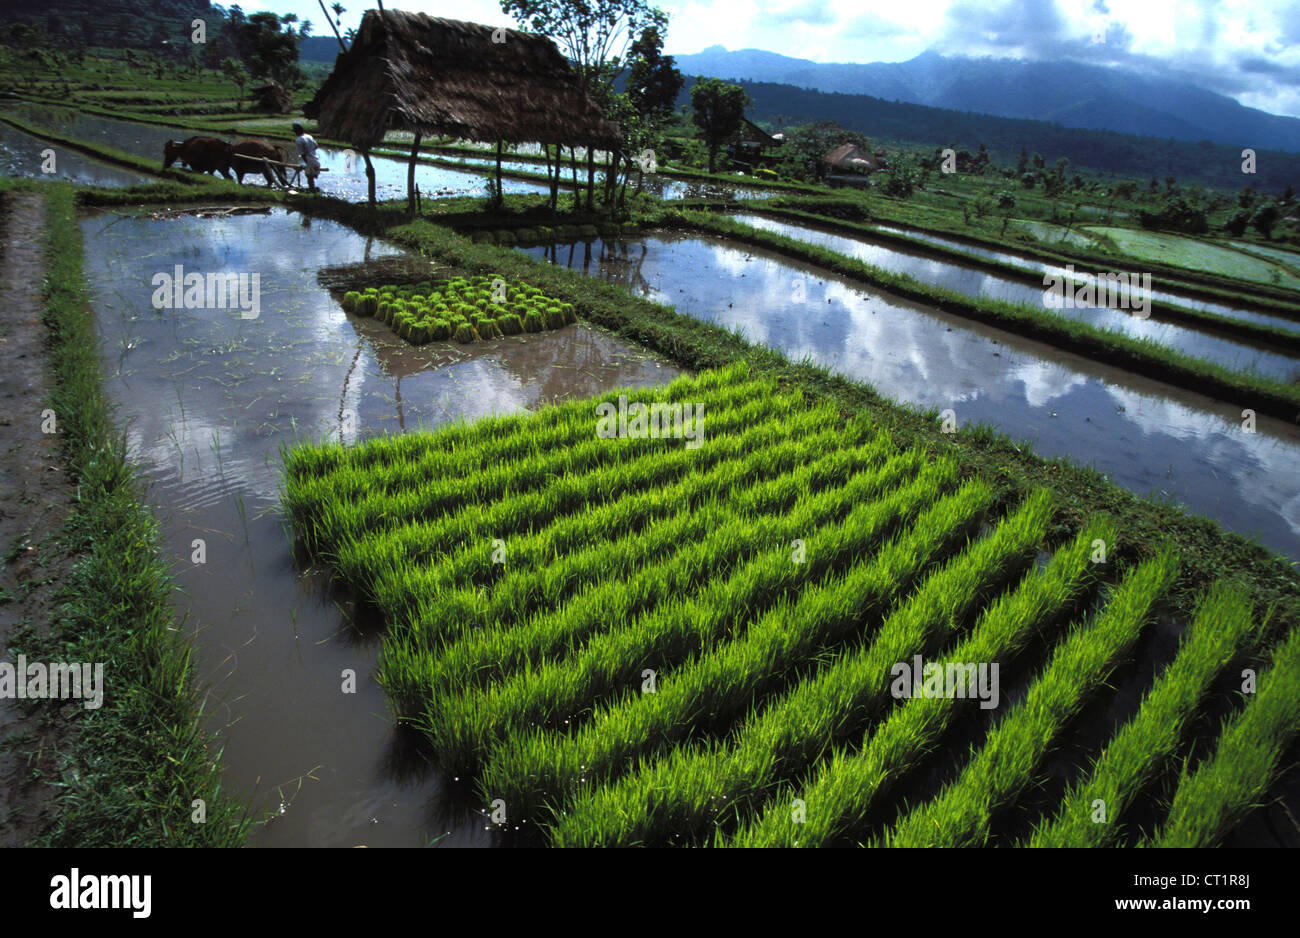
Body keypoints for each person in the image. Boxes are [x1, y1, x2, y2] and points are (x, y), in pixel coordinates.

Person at [292, 122, 320, 191]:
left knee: (309, 177)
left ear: (296, 132)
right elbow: (316, 146)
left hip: (309, 160)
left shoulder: (298, 140)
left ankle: (312, 191)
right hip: (316, 160)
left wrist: (307, 164)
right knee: (311, 177)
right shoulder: (309, 136)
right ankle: (313, 190)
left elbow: (303, 154)